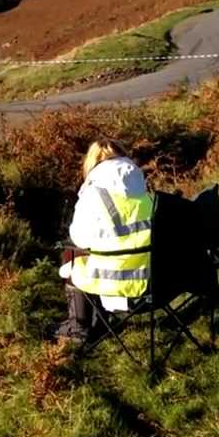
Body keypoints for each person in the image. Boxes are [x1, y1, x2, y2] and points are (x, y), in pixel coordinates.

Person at [56, 138, 153, 343]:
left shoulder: (93, 193)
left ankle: (79, 326)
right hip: (153, 278)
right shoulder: (144, 192)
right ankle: (99, 322)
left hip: (118, 282)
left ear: (91, 164)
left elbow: (80, 238)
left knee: (71, 256)